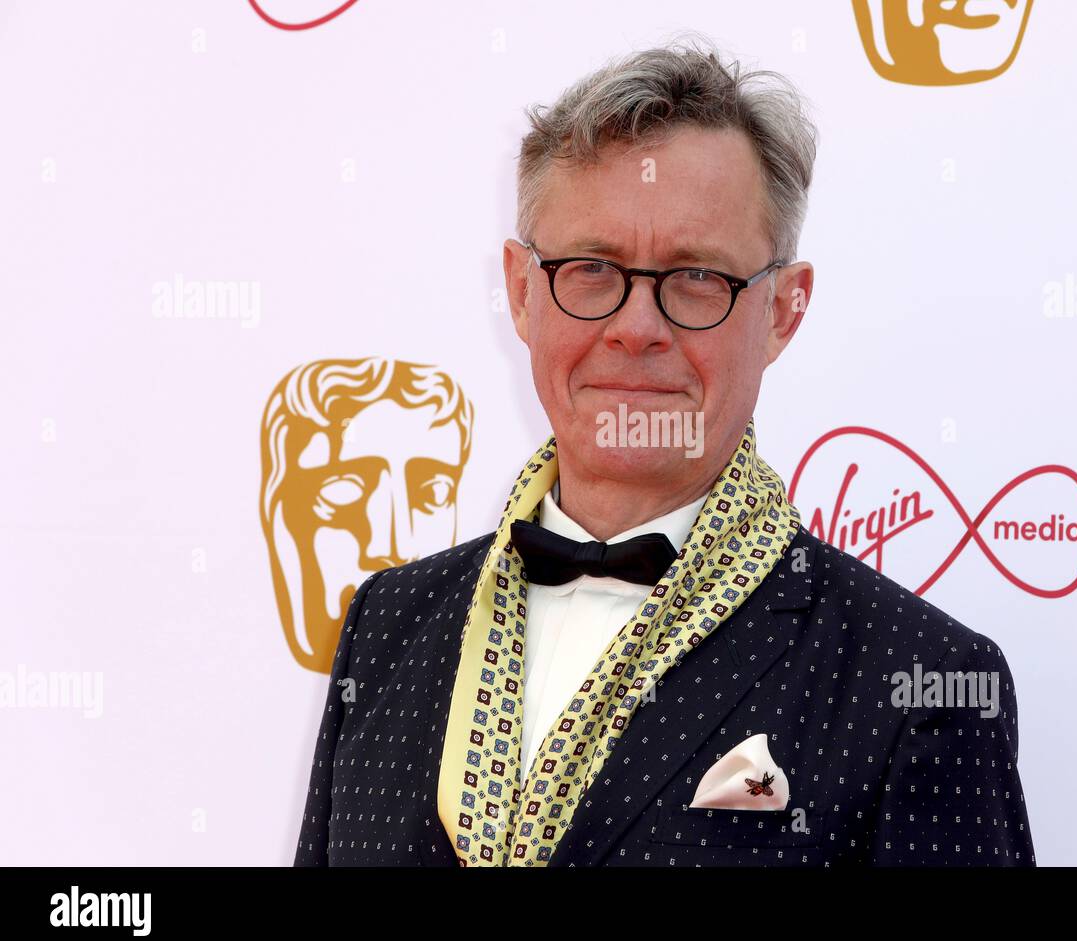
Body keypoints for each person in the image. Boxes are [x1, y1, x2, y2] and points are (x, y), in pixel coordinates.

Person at [294, 38, 1034, 867]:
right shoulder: (388, 627)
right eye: (590, 268)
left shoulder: (915, 684)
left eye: (696, 279)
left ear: (784, 312)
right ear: (520, 290)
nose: (636, 328)